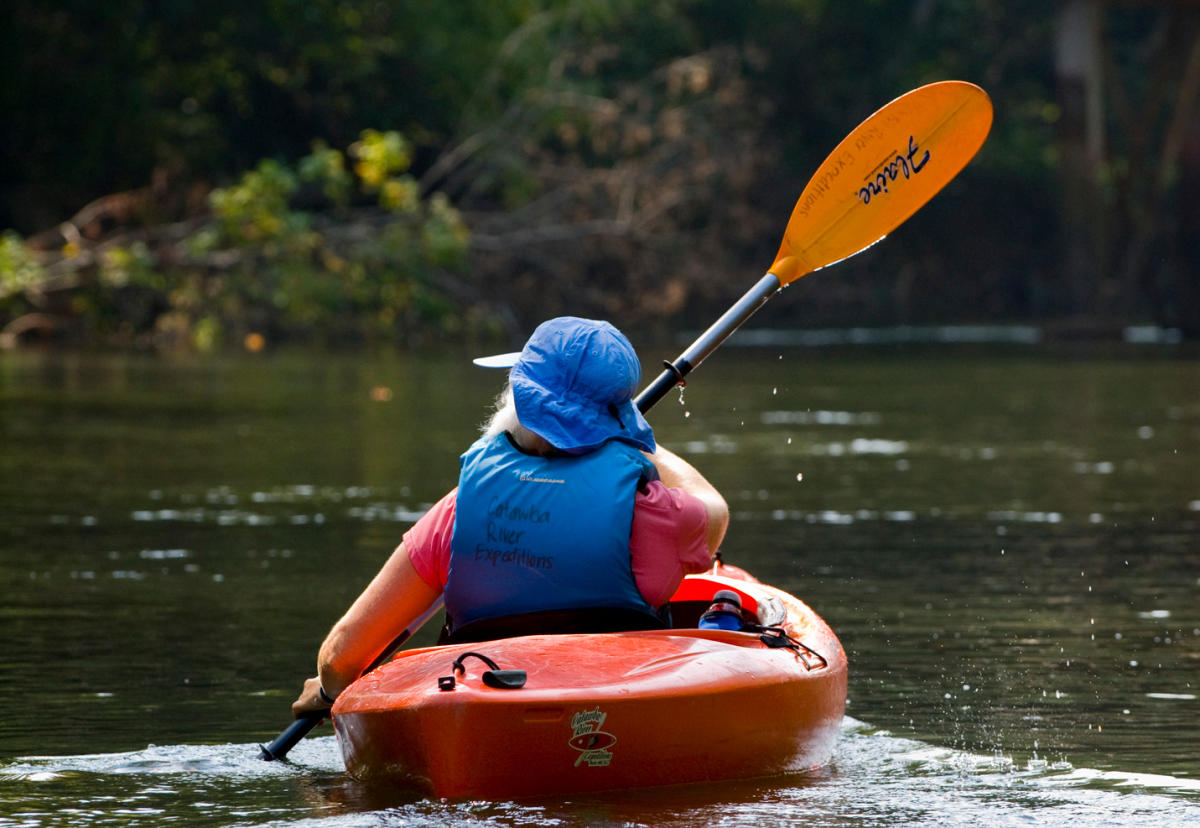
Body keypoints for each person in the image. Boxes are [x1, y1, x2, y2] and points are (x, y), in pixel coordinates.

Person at [292, 317, 728, 718]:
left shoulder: (458, 510)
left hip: (487, 710)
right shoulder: (655, 510)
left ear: (518, 397)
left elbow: (343, 658)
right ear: (616, 418)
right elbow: (714, 510)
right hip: (617, 709)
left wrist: (328, 692)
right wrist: (637, 444)